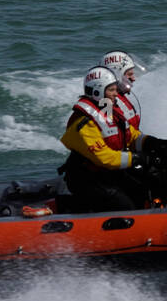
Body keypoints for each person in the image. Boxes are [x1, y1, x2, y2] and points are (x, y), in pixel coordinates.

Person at [59, 66, 154, 213]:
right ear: (97, 91)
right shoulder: (84, 122)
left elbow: (129, 135)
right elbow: (104, 157)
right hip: (87, 179)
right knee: (125, 206)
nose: (117, 94)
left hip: (107, 174)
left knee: (143, 188)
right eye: (111, 90)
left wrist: (151, 142)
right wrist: (136, 158)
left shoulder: (107, 110)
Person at [101, 50, 145, 129]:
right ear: (117, 75)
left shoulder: (119, 98)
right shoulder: (107, 105)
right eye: (129, 74)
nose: (133, 79)